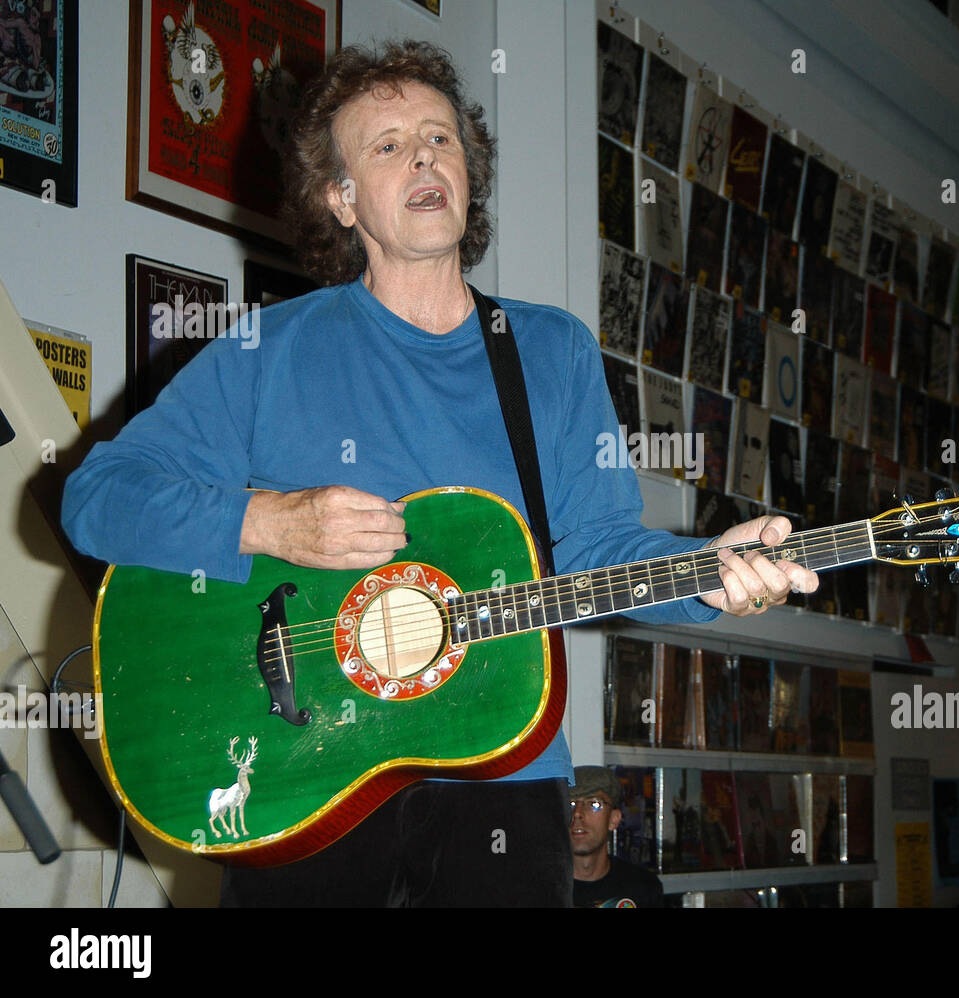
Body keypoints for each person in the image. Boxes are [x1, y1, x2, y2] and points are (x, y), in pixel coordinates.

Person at [60, 39, 818, 907]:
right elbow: (95, 499)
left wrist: (705, 578)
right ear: (340, 199)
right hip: (307, 782)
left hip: (505, 779)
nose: (424, 156)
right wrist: (265, 523)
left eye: (441, 138)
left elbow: (595, 545)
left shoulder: (549, 350)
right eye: (387, 146)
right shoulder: (267, 352)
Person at [570, 767, 662, 908]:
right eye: (570, 804)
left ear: (614, 819)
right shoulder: (536, 888)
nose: (577, 813)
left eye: (594, 804)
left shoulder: (643, 888)